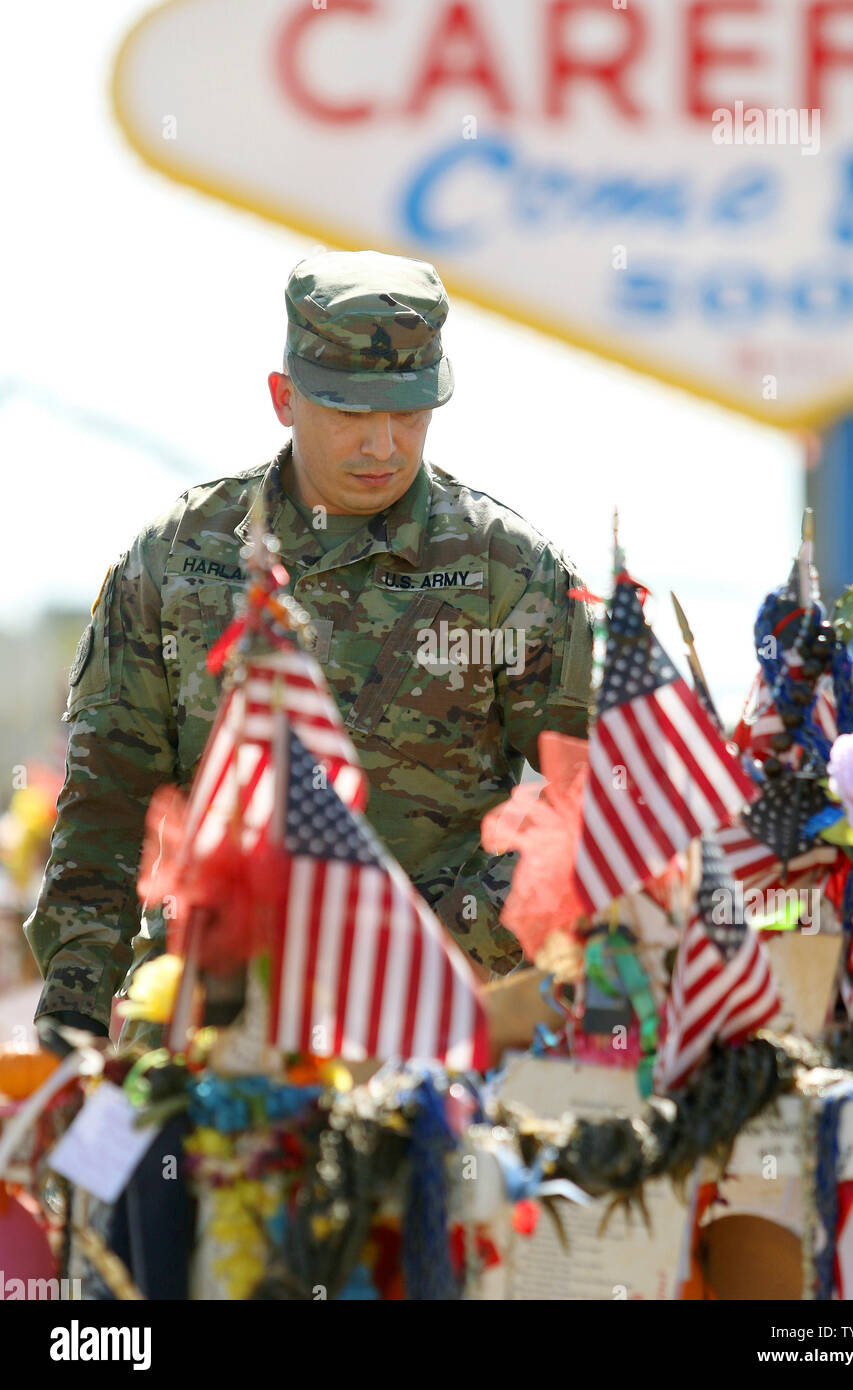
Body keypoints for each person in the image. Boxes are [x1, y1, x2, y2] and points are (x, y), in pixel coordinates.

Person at [25, 248, 593, 1051]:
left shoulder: (506, 570)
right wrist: (74, 1020)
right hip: (209, 1024)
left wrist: (464, 926)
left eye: (409, 413)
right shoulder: (177, 558)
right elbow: (106, 806)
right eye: (352, 414)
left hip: (433, 1027)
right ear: (284, 399)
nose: (385, 445)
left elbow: (610, 788)